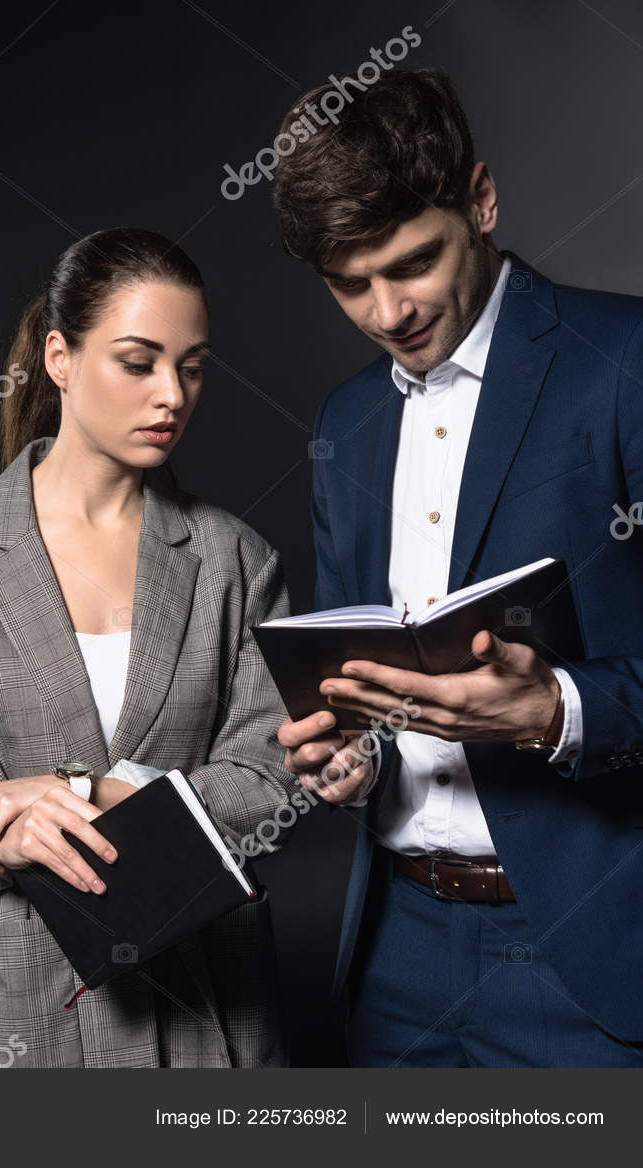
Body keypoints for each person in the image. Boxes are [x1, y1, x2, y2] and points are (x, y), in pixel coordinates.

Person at [273, 68, 643, 1066]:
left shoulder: (625, 364)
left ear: (479, 200)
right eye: (350, 284)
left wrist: (556, 710)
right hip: (392, 952)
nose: (387, 310)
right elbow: (355, 675)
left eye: (412, 264)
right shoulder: (345, 427)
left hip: (588, 954)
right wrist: (344, 756)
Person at [0, 228, 296, 1067]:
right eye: (138, 362)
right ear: (59, 359)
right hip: (7, 1006)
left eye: (193, 364)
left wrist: (84, 791)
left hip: (205, 997)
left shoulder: (236, 559)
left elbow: (270, 777)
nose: (171, 393)